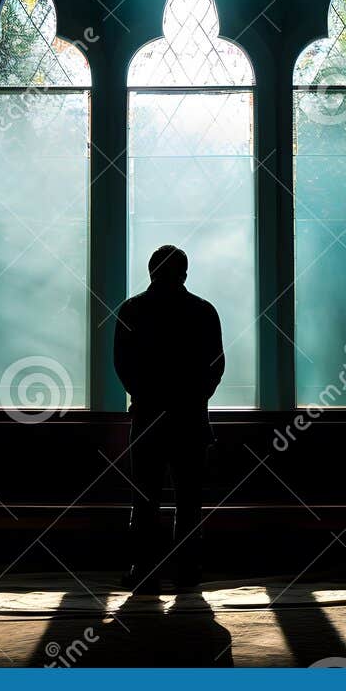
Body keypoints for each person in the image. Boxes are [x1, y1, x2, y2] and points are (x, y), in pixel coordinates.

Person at [113, 245, 225, 593]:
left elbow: (123, 365)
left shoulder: (132, 310)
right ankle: (187, 570)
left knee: (144, 499)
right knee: (189, 499)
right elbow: (216, 364)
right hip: (189, 419)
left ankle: (144, 570)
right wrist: (195, 398)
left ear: (151, 272)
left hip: (148, 417)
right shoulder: (203, 311)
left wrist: (146, 396)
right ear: (184, 273)